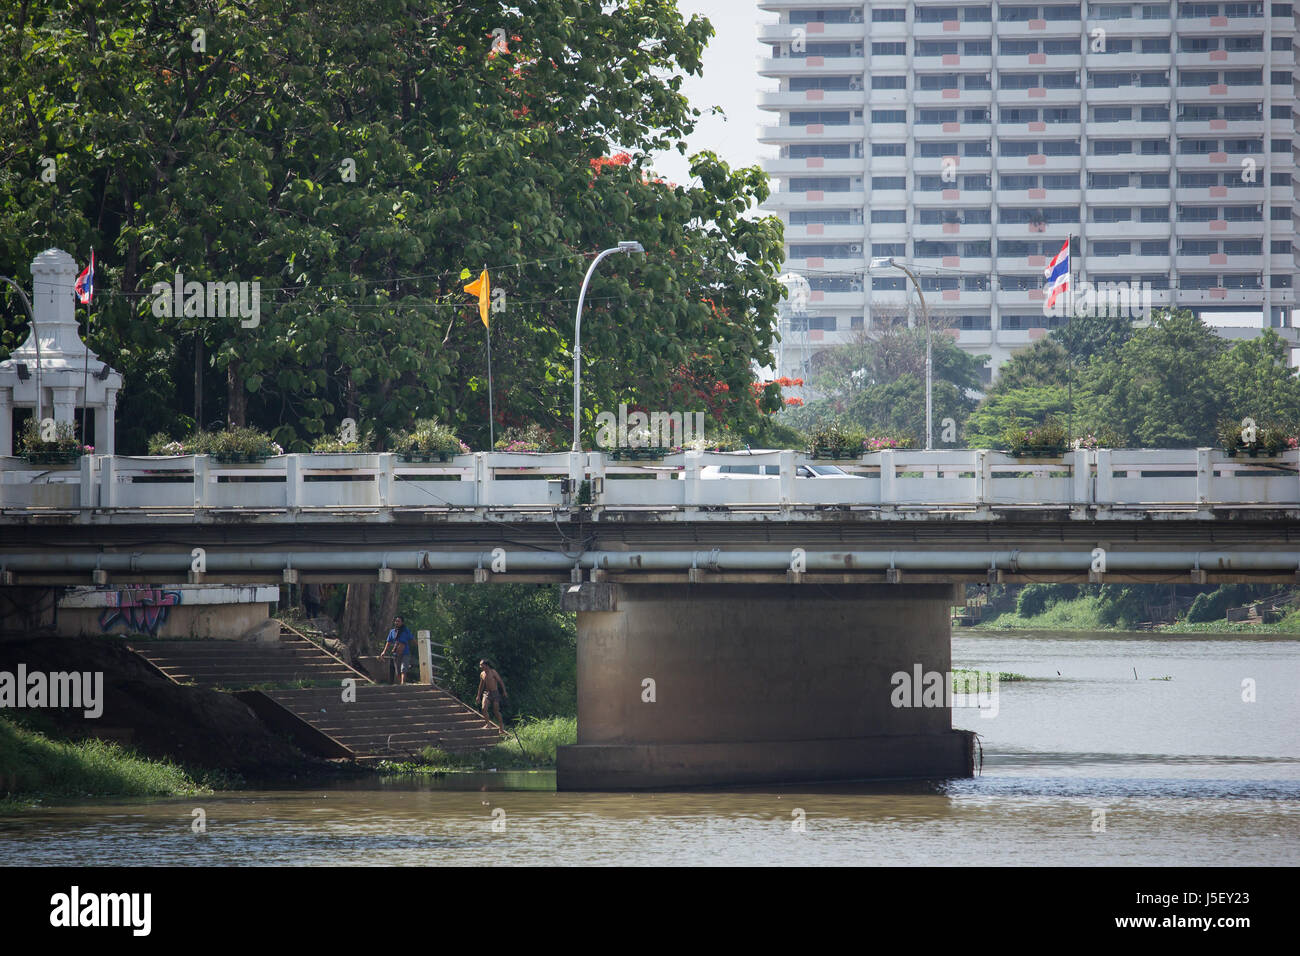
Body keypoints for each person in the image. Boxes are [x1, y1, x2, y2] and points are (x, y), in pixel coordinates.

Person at [476, 659, 508, 734]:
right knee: (484, 708)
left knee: (496, 711)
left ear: (486, 665)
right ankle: (488, 724)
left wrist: (504, 691)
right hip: (487, 693)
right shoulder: (482, 674)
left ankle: (501, 727)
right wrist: (478, 696)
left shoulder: (493, 672)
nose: (480, 666)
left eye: (481, 665)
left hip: (495, 693)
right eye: (480, 665)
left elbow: (500, 681)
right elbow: (481, 686)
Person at [380, 616, 414, 684]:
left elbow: (412, 639)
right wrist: (384, 651)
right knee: (398, 671)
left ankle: (402, 683)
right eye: (396, 621)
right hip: (396, 654)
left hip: (405, 653)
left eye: (398, 621)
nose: (397, 622)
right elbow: (388, 642)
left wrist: (419, 646)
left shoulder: (406, 630)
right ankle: (400, 684)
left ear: (402, 622)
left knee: (403, 669)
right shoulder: (392, 632)